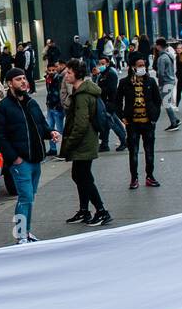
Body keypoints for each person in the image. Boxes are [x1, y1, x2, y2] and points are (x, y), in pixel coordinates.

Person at [0, 68, 58, 244]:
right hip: (20, 162)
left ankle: (26, 232)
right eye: (18, 79)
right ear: (10, 83)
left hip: (36, 159)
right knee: (25, 197)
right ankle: (20, 235)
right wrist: (14, 158)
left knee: (30, 197)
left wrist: (50, 133)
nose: (23, 82)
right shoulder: (2, 108)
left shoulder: (32, 103)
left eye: (24, 78)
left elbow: (41, 125)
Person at [61, 59, 112, 227]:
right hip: (86, 140)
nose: (66, 75)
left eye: (69, 72)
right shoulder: (83, 91)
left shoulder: (82, 95)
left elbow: (81, 123)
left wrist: (69, 143)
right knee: (80, 175)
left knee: (83, 176)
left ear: (77, 74)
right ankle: (84, 210)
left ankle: (101, 211)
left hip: (83, 142)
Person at [116, 54, 162, 189]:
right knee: (133, 152)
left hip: (148, 123)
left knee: (149, 151)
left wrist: (154, 118)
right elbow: (117, 101)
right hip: (132, 123)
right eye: (139, 66)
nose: (142, 68)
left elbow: (157, 101)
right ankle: (134, 178)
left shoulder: (150, 81)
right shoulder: (125, 83)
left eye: (144, 65)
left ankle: (150, 176)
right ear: (133, 67)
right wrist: (122, 117)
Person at [94, 57, 128, 150]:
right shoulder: (102, 74)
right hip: (104, 102)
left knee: (112, 123)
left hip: (109, 102)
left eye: (102, 63)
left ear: (108, 63)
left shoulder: (110, 74)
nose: (100, 66)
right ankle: (105, 144)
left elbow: (111, 89)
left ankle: (123, 141)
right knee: (106, 124)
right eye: (99, 64)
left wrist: (99, 91)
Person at [153, 38, 181, 131]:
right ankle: (175, 120)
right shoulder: (169, 55)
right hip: (171, 80)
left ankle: (174, 123)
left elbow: (160, 73)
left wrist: (160, 85)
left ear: (158, 46)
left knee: (166, 103)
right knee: (166, 102)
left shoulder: (161, 58)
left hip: (165, 82)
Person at [44, 60, 66, 154]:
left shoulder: (59, 78)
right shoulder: (48, 79)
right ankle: (53, 149)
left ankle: (63, 149)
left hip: (57, 107)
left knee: (60, 129)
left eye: (53, 70)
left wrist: (60, 104)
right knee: (50, 128)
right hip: (50, 106)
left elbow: (60, 92)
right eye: (50, 70)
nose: (52, 72)